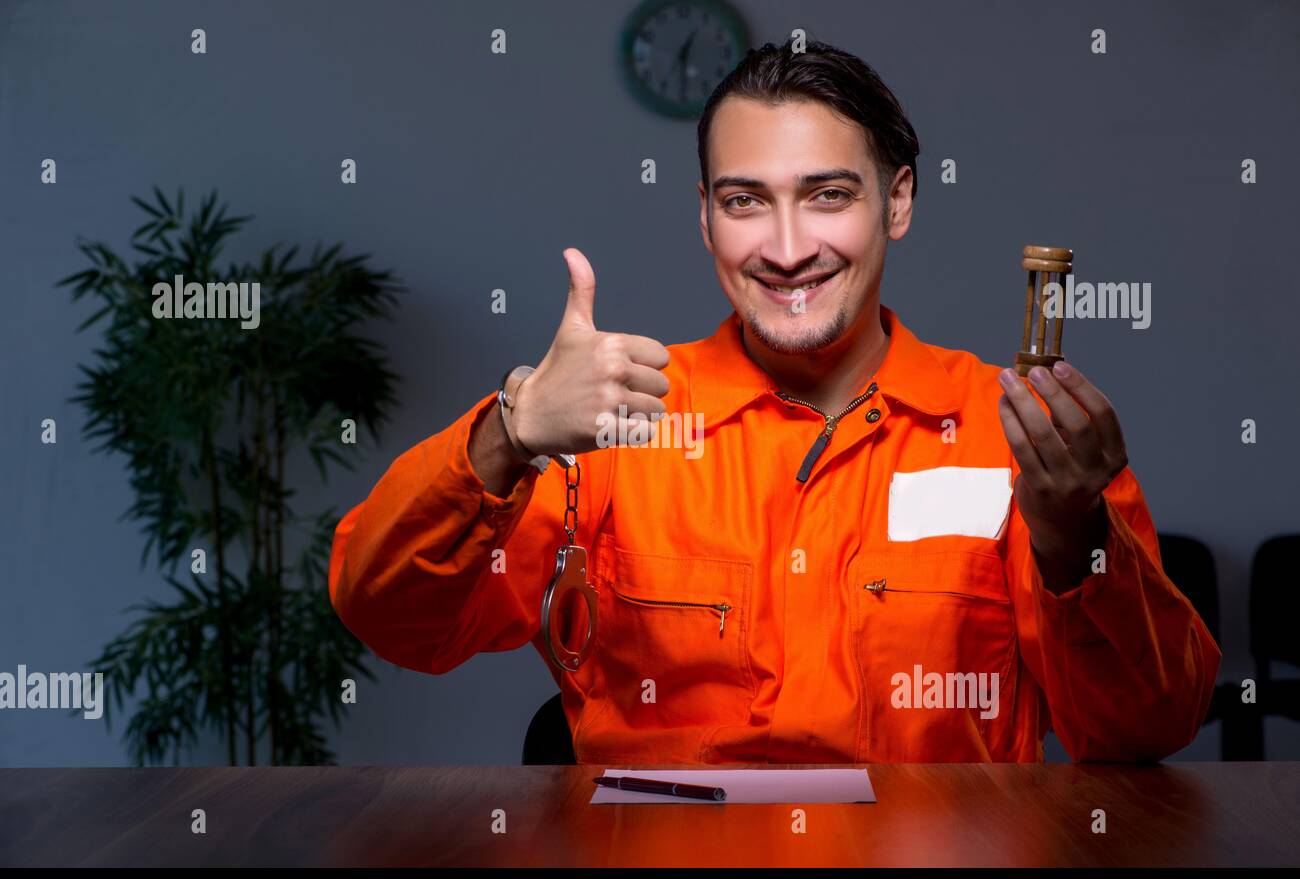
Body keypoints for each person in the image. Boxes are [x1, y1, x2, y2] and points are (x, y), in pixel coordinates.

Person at [328, 39, 1220, 764]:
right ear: (706, 218)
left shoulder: (1010, 432)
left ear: (897, 200)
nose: (788, 247)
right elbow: (391, 615)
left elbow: (1145, 728)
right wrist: (508, 434)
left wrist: (1075, 540)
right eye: (746, 201)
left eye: (827, 195)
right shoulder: (607, 421)